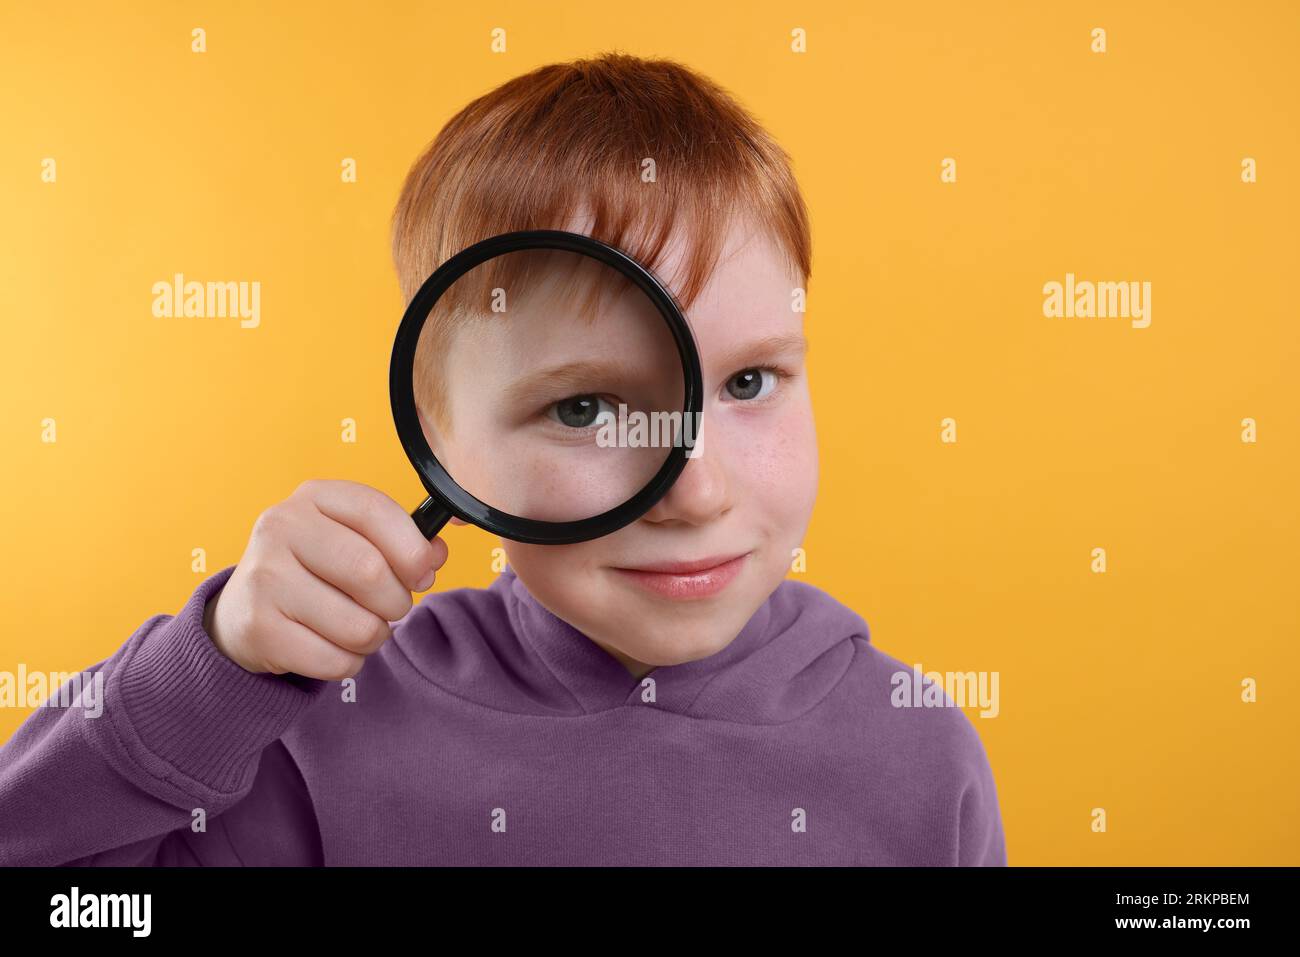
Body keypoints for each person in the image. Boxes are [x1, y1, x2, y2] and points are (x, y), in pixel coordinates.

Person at [0, 52, 1006, 866]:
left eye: (748, 384)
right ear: (444, 451)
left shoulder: (915, 749)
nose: (695, 490)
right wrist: (208, 671)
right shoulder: (317, 732)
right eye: (584, 405)